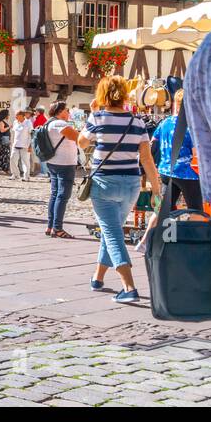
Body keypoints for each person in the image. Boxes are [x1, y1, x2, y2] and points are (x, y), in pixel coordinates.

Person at [79, 76, 159, 303]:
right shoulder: (138, 122)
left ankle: (129, 287)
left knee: (113, 234)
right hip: (131, 185)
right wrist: (155, 188)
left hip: (104, 183)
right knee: (111, 229)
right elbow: (146, 159)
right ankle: (98, 277)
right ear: (125, 93)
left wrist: (92, 114)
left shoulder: (97, 117)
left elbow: (82, 144)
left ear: (102, 94)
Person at [153, 90, 201, 212]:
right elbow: (197, 156)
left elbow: (152, 143)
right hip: (186, 174)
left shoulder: (165, 122)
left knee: (163, 211)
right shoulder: (191, 127)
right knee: (196, 211)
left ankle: (151, 231)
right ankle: (195, 231)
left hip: (166, 171)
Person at [42, 102, 80, 239]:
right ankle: (57, 228)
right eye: (67, 110)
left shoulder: (50, 123)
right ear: (60, 111)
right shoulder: (59, 124)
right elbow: (77, 137)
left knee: (55, 194)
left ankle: (51, 225)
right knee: (63, 196)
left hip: (54, 162)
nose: (69, 112)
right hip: (64, 164)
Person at [9, 110, 34, 182]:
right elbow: (14, 133)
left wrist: (30, 146)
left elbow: (32, 134)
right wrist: (12, 142)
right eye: (16, 115)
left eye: (17, 115)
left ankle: (26, 177)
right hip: (15, 145)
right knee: (12, 159)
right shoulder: (15, 122)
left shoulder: (28, 123)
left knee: (25, 162)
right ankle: (15, 175)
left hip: (25, 145)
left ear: (23, 116)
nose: (16, 117)